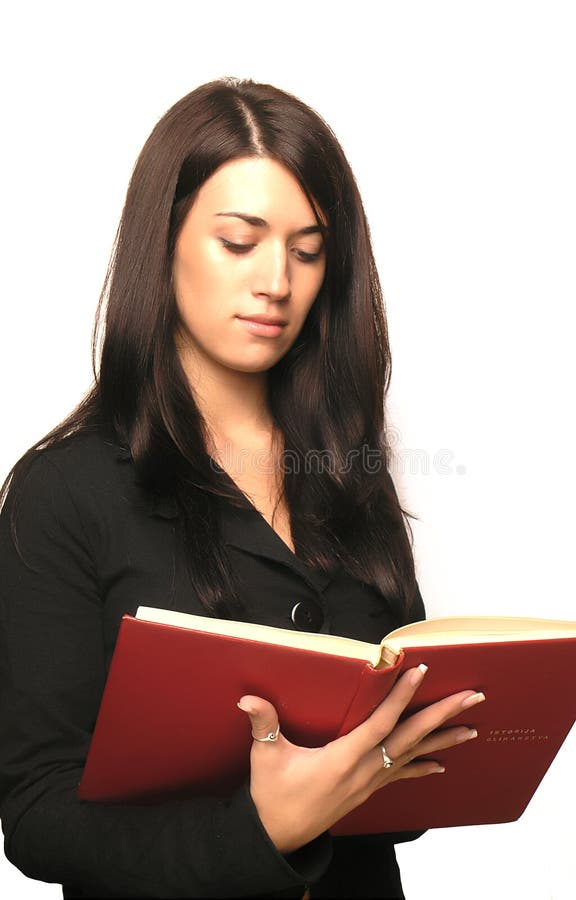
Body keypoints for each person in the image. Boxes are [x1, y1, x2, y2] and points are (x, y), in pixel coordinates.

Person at [0, 78, 485, 899]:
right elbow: (38, 814)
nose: (276, 282)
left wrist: (429, 744)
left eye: (305, 251)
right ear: (166, 242)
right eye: (239, 242)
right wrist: (261, 827)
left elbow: (401, 778)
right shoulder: (63, 492)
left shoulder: (344, 469)